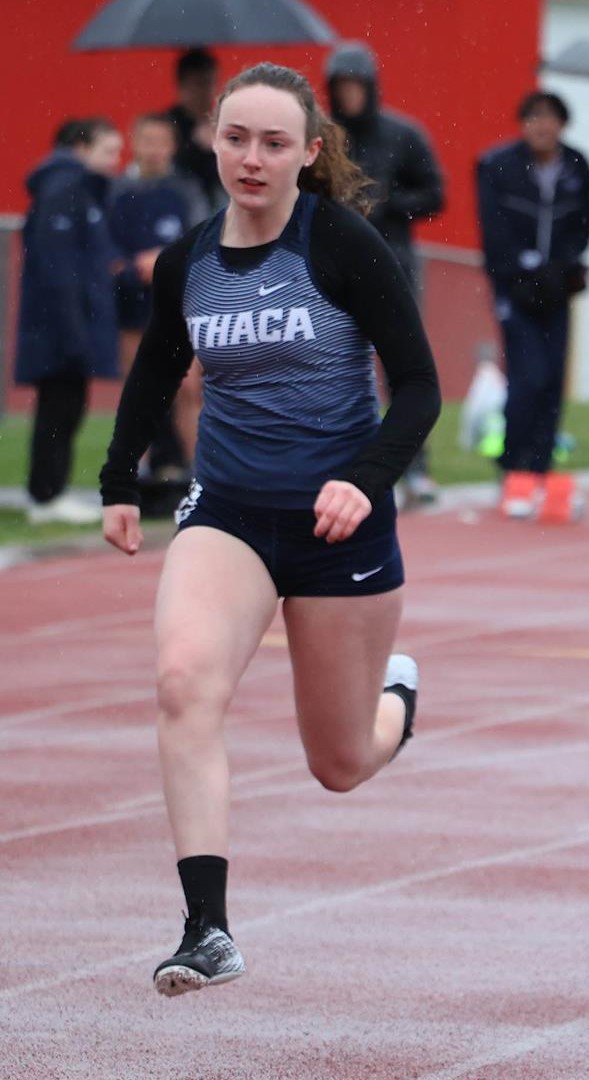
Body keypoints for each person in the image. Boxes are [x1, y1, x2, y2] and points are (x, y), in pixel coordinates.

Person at [96, 62, 440, 997]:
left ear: (309, 154)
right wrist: (119, 478)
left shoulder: (341, 245)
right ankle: (206, 929)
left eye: (275, 142)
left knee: (338, 763)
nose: (253, 157)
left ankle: (396, 699)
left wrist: (365, 482)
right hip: (230, 514)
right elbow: (157, 371)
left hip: (340, 527)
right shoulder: (190, 259)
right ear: (214, 140)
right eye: (237, 137)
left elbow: (418, 385)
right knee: (182, 682)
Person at [327, 41, 447, 508]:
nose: (349, 95)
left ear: (370, 87)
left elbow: (436, 194)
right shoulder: (323, 136)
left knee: (403, 367)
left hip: (393, 262)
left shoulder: (403, 134)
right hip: (334, 267)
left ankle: (415, 467)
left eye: (356, 86)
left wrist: (390, 205)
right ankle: (350, 462)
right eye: (342, 87)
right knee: (339, 364)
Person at [475, 91, 589, 514]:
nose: (542, 127)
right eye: (534, 119)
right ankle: (515, 468)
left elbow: (583, 226)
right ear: (523, 124)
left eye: (550, 119)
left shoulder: (577, 166)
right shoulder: (498, 165)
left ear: (562, 124)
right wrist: (521, 268)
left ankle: (539, 470)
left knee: (552, 380)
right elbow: (493, 229)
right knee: (528, 376)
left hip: (557, 288)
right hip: (515, 289)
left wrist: (563, 267)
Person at [16, 117, 122, 526]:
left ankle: (49, 491)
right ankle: (46, 495)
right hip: (60, 327)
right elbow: (59, 270)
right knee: (59, 408)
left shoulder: (79, 189)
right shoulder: (65, 188)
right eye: (109, 151)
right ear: (81, 146)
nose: (115, 161)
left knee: (67, 406)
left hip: (67, 324)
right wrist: (74, 331)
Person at [108, 113, 210, 485]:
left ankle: (202, 475)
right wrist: (128, 266)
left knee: (187, 387)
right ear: (133, 141)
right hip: (132, 305)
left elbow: (201, 243)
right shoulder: (116, 191)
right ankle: (132, 474)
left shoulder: (187, 190)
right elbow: (104, 249)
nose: (153, 149)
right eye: (146, 140)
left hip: (180, 304)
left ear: (171, 146)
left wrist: (162, 261)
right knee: (136, 387)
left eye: (160, 141)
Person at [164, 47, 222, 210]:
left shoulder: (222, 122)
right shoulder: (168, 124)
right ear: (181, 86)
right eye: (198, 84)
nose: (206, 92)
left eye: (210, 83)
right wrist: (195, 145)